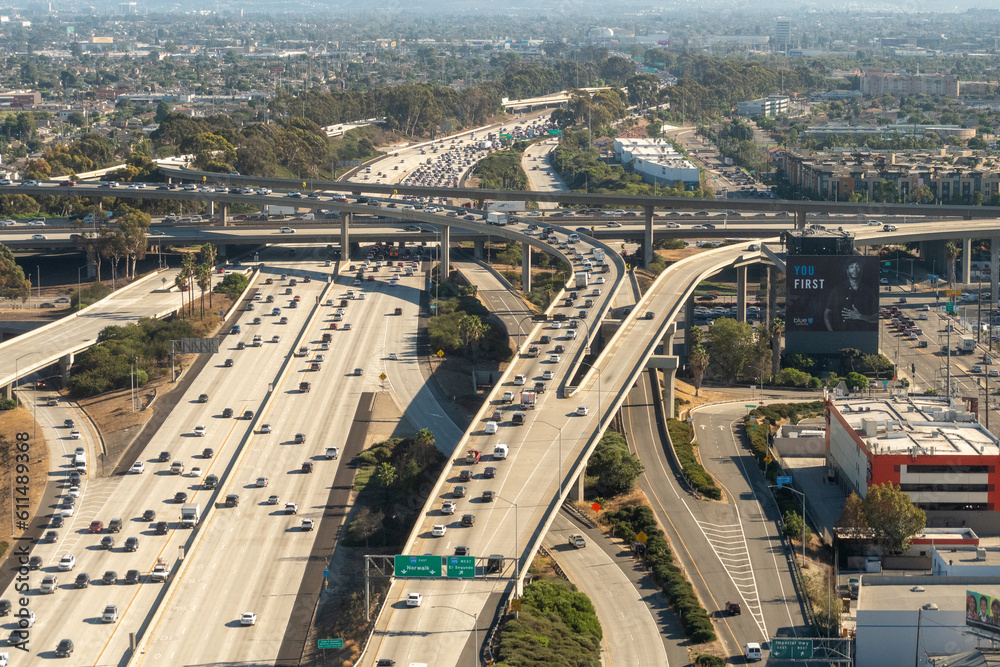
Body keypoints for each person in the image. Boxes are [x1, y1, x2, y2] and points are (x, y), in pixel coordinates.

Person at [824, 260, 879, 331]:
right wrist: (831, 333)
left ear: (861, 271)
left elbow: (876, 317)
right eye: (851, 267)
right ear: (847, 271)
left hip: (860, 337)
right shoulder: (837, 290)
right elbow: (827, 313)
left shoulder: (869, 292)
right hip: (840, 335)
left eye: (858, 267)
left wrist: (860, 316)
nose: (855, 269)